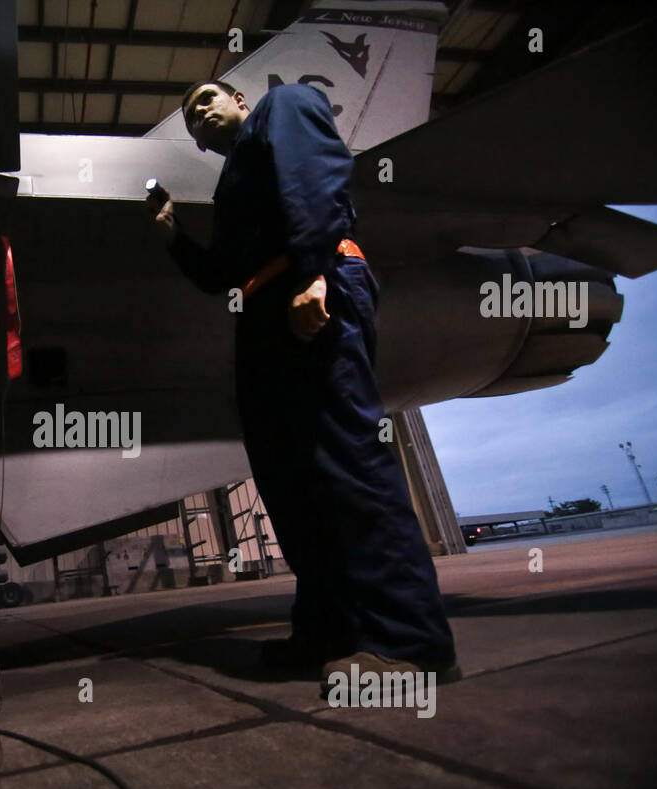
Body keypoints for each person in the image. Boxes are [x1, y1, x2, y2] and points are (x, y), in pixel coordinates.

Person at [148, 79, 460, 684]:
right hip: (264, 311)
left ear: (241, 100)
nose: (199, 112)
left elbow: (316, 182)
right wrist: (174, 236)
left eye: (208, 97)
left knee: (346, 463)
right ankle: (329, 632)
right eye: (189, 114)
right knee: (293, 483)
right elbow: (220, 275)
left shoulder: (282, 107)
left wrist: (313, 276)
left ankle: (412, 643)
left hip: (307, 289)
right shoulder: (232, 185)